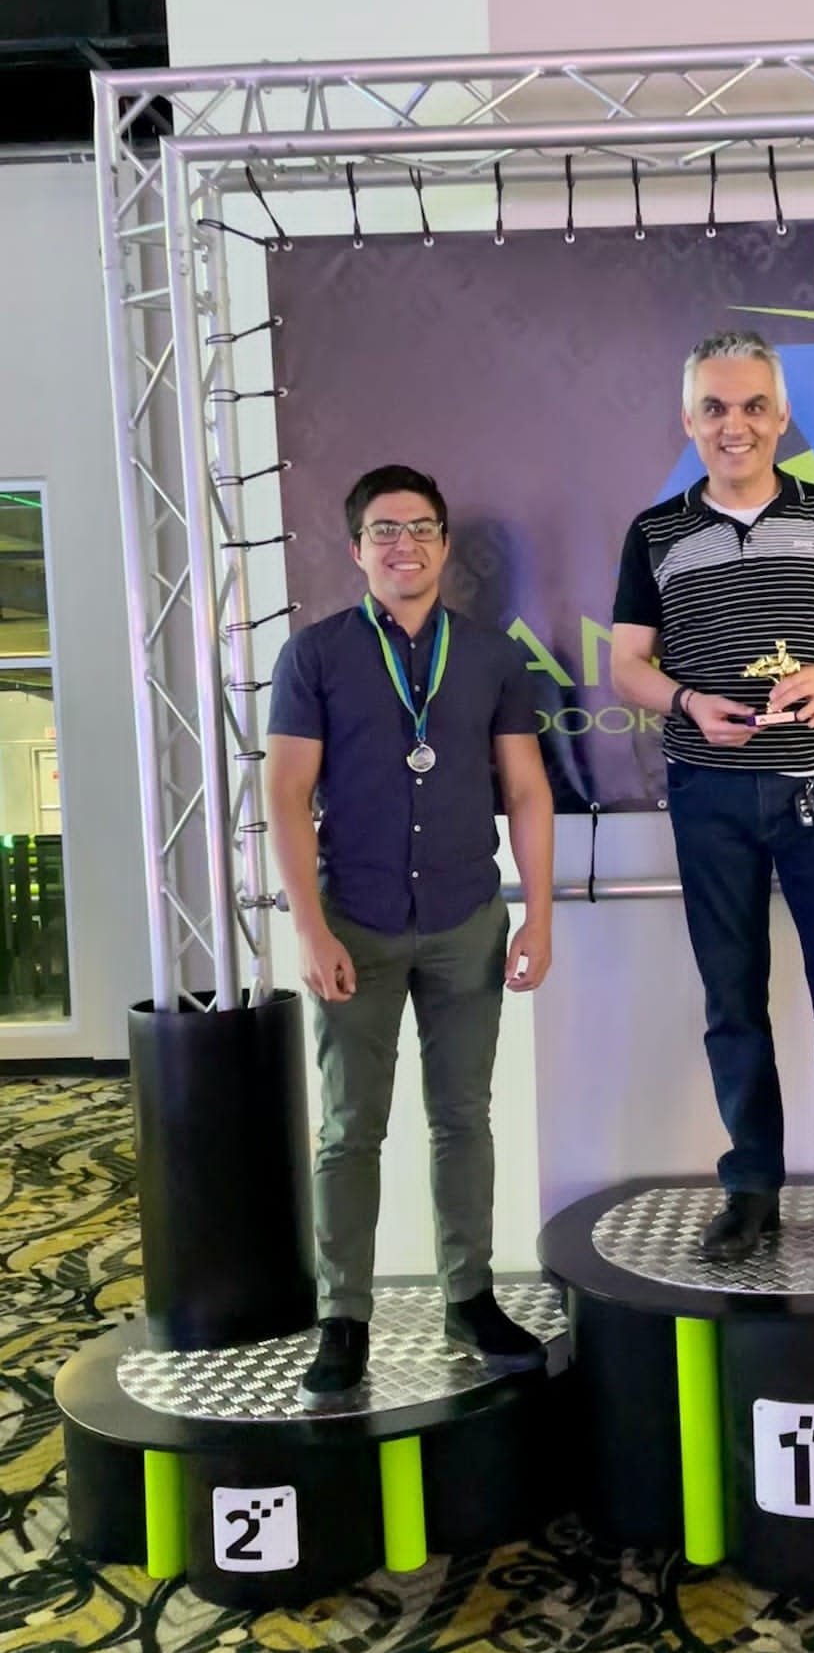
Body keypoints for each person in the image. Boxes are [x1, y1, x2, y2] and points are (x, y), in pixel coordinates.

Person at [609, 330, 814, 1266]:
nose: (736, 425)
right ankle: (751, 1189)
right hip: (708, 795)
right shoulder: (654, 533)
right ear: (688, 420)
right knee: (732, 1000)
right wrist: (687, 700)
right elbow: (626, 665)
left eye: (754, 406)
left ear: (783, 416)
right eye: (715, 408)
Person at [265, 463, 556, 1407]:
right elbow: (286, 795)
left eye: (422, 528)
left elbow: (527, 790)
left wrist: (539, 914)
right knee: (350, 1129)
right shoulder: (313, 656)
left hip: (468, 920)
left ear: (444, 544)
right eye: (385, 530)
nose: (405, 545)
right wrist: (309, 930)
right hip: (356, 922)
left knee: (463, 1118)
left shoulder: (491, 656)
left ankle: (468, 1298)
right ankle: (343, 1318)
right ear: (356, 549)